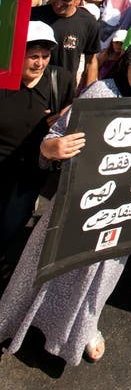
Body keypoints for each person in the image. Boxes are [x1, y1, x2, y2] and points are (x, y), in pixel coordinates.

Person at [0, 42, 131, 365]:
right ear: (125, 64)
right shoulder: (100, 93)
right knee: (49, 266)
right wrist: (52, 148)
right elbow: (54, 136)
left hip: (121, 212)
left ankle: (83, 329)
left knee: (99, 279)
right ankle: (17, 318)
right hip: (78, 204)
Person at [0, 22, 74, 280]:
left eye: (45, 56)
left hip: (30, 174)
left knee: (9, 228)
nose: (40, 63)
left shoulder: (60, 79)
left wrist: (62, 121)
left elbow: (69, 112)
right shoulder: (2, 80)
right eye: (33, 56)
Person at [30, 0, 101, 89]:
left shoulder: (89, 23)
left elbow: (91, 61)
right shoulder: (34, 16)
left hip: (63, 90)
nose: (58, 4)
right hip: (32, 85)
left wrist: (89, 94)